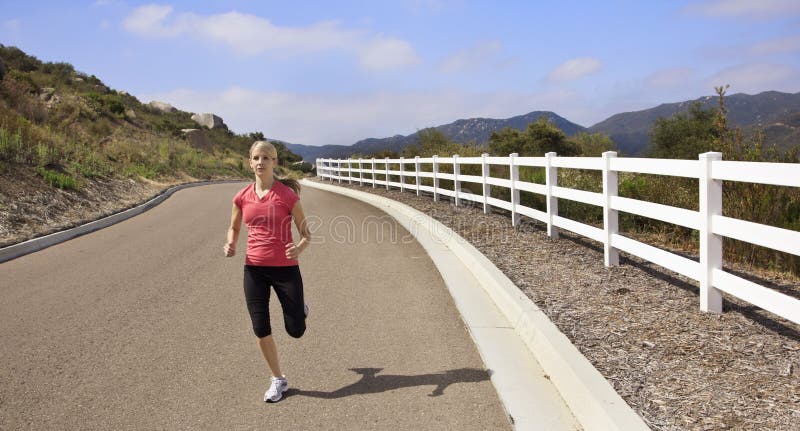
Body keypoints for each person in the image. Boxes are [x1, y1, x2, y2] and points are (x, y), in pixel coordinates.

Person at [223, 140, 311, 403]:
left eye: (266, 157)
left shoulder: (287, 196)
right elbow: (234, 228)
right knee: (260, 327)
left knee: (296, 330)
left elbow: (306, 234)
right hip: (254, 270)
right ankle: (278, 379)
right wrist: (231, 242)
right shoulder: (241, 197)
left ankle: (300, 310)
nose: (261, 162)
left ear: (275, 162)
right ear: (250, 162)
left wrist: (298, 248)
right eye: (256, 157)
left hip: (285, 269)